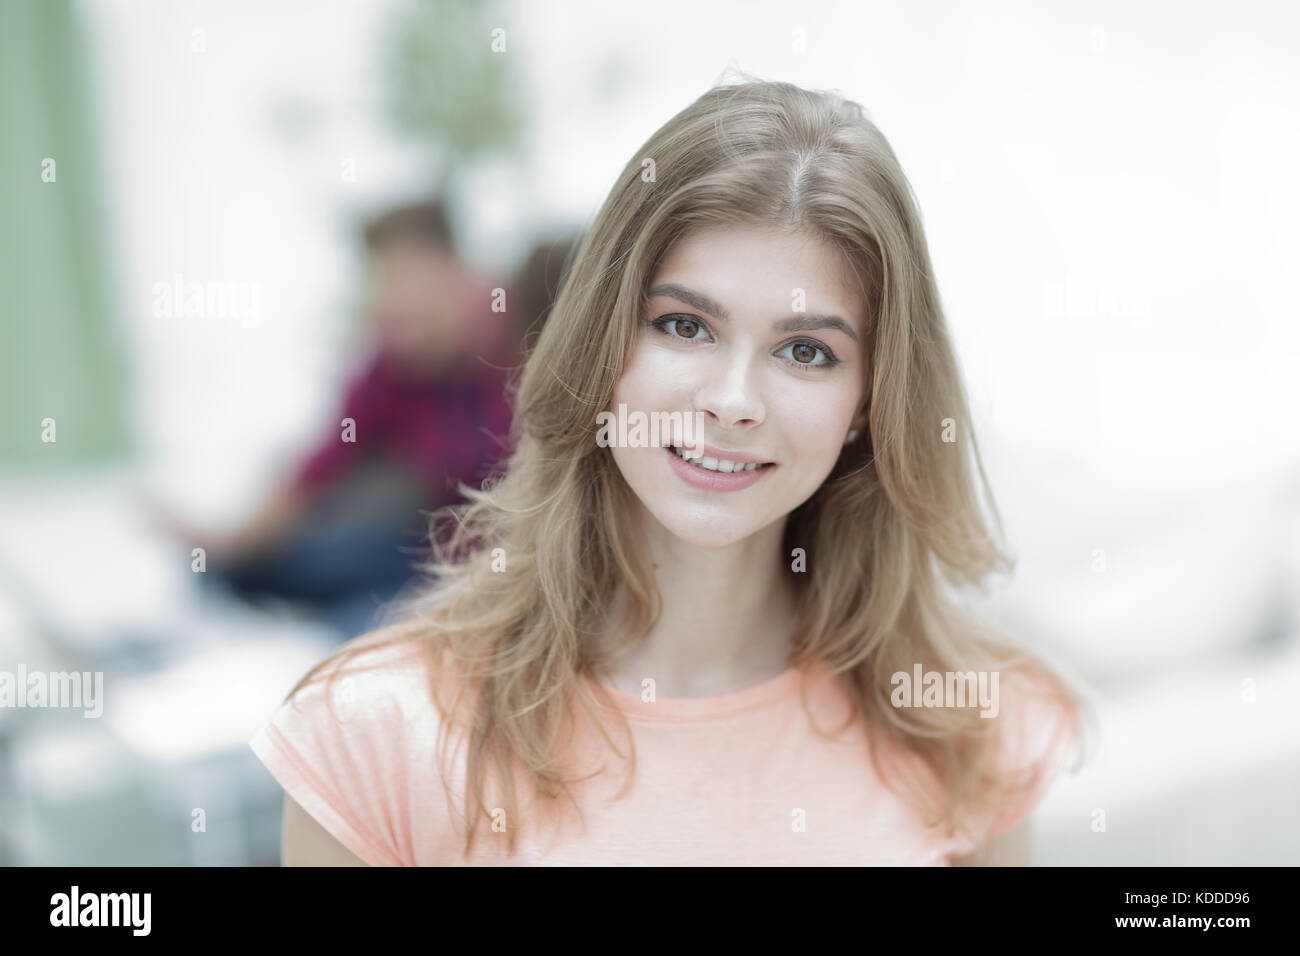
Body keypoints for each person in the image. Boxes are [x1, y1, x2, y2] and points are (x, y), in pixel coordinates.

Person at [249, 76, 1093, 866]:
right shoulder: (370, 737)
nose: (732, 401)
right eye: (685, 326)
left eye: (806, 351)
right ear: (600, 342)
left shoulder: (964, 726)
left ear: (869, 402)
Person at [157, 199, 517, 640]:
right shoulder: (391, 365)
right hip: (419, 549)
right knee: (221, 573)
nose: (396, 304)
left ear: (460, 275)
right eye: (385, 285)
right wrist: (225, 542)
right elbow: (317, 472)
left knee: (364, 628)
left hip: (500, 566)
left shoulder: (520, 338)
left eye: (411, 282)